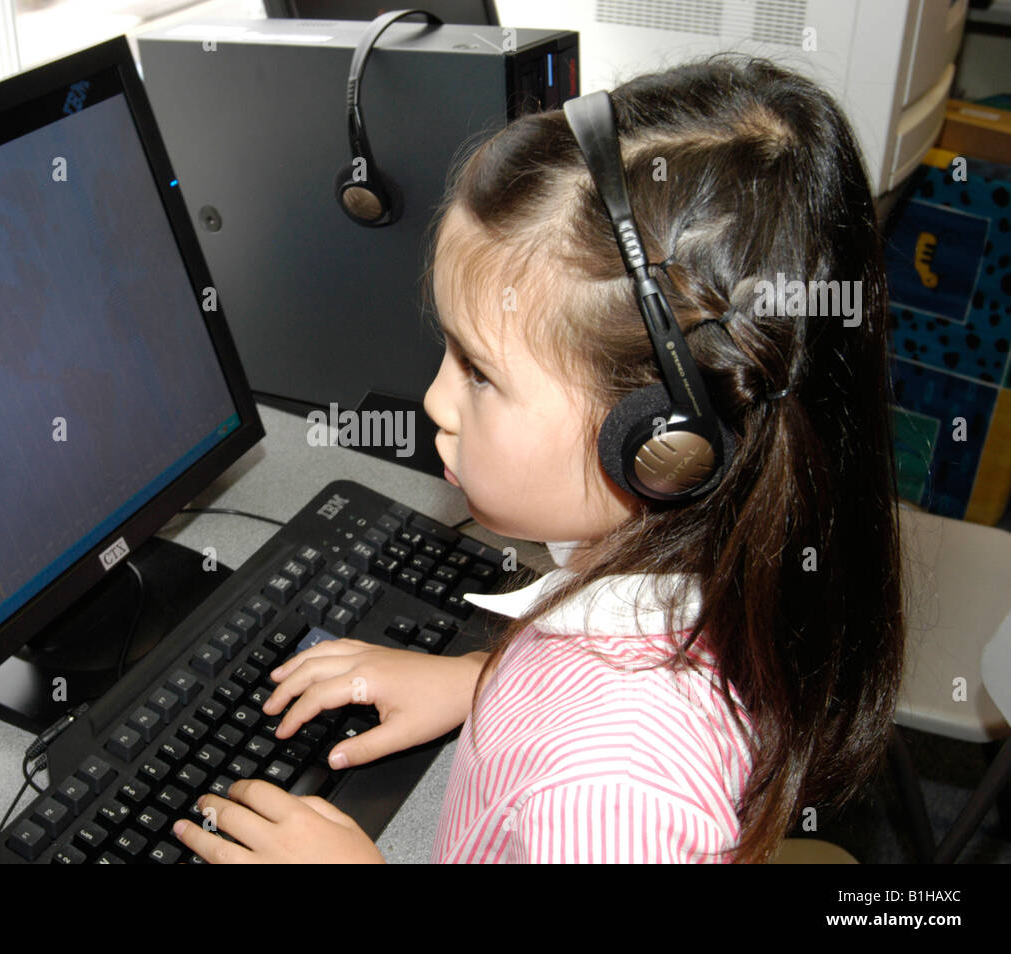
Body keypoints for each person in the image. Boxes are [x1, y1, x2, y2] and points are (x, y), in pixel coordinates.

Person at [171, 54, 904, 863]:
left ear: (659, 446)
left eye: (479, 373)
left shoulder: (612, 791)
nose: (434, 403)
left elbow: (608, 772)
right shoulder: (683, 557)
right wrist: (482, 687)